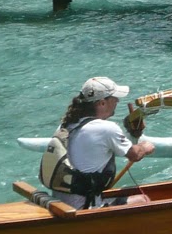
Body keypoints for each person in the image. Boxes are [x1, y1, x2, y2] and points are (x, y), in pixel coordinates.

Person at [52, 76, 155, 209]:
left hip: (60, 203)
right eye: (114, 98)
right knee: (143, 200)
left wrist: (134, 134)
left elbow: (104, 145)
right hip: (83, 208)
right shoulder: (106, 128)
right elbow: (134, 154)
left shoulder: (66, 125)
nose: (117, 100)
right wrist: (145, 147)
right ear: (102, 103)